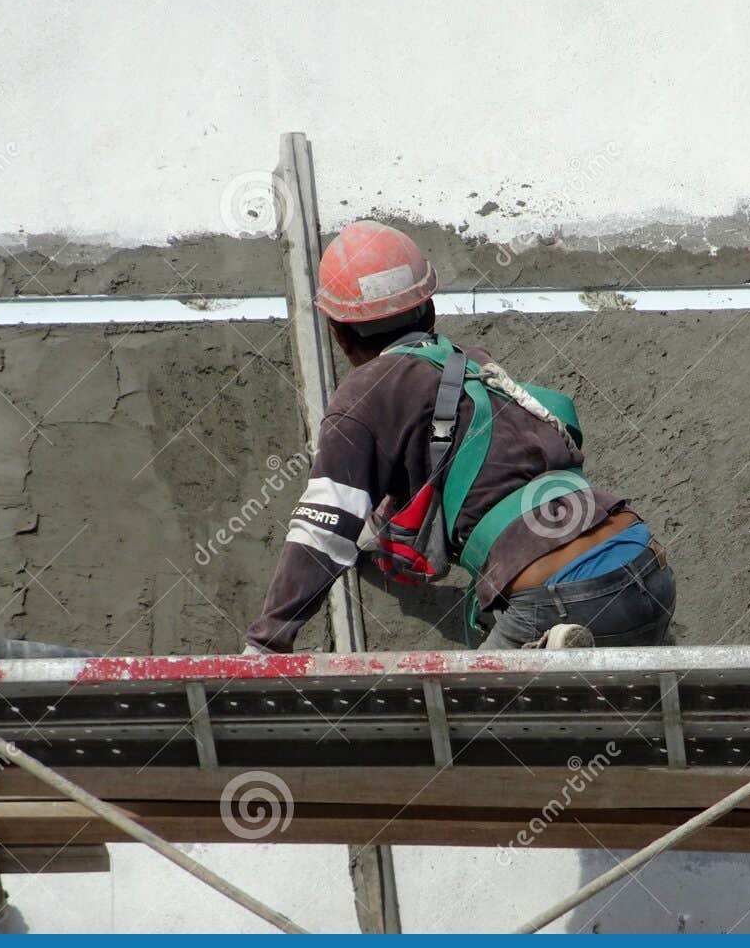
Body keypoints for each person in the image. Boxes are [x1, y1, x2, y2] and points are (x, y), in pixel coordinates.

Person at [244, 220, 674, 653]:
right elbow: (452, 480)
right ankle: (564, 651)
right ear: (429, 310)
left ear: (339, 334)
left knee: (470, 717)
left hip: (559, 595)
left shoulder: (363, 397)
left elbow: (321, 533)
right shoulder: (475, 370)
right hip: (644, 562)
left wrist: (265, 643)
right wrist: (373, 539)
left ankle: (549, 653)